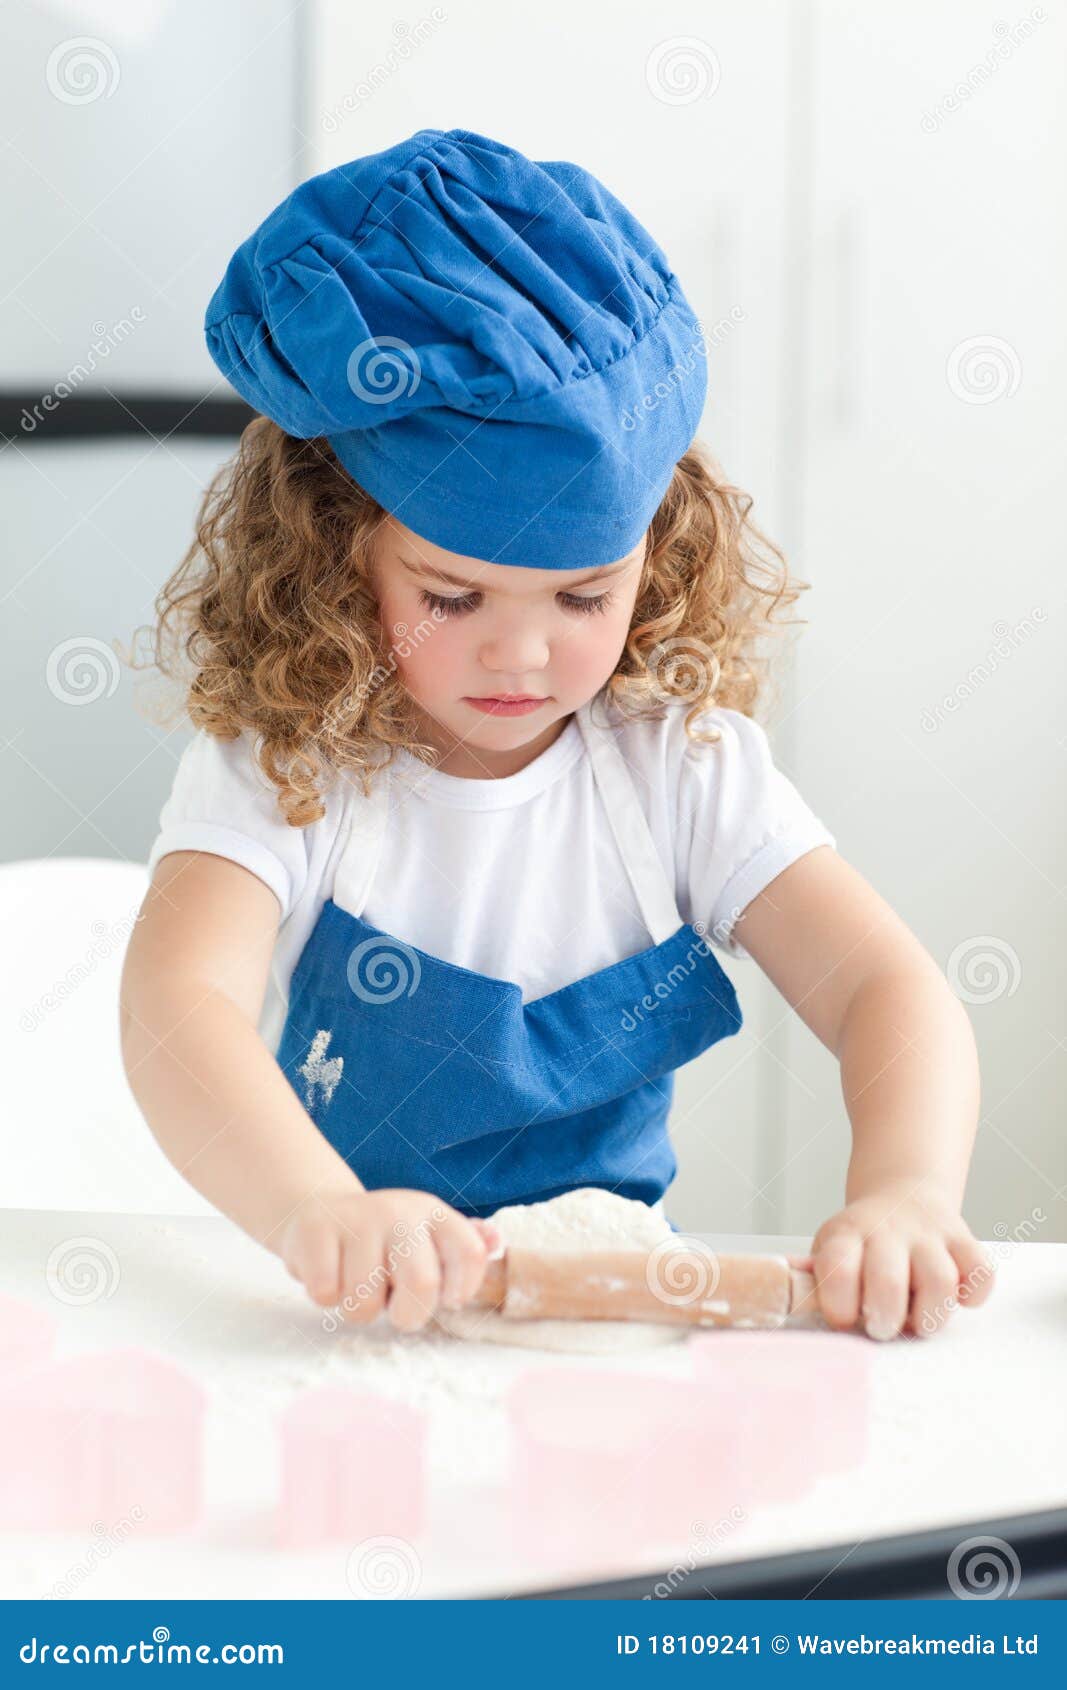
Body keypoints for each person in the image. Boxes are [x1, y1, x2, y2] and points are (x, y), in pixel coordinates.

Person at [120, 127, 992, 1342]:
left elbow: (885, 988)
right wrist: (317, 1207)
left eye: (583, 597)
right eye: (451, 598)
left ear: (657, 554)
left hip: (606, 1332)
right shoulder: (294, 767)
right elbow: (178, 1007)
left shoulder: (676, 767)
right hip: (345, 1325)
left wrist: (904, 1191)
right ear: (330, 554)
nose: (522, 656)